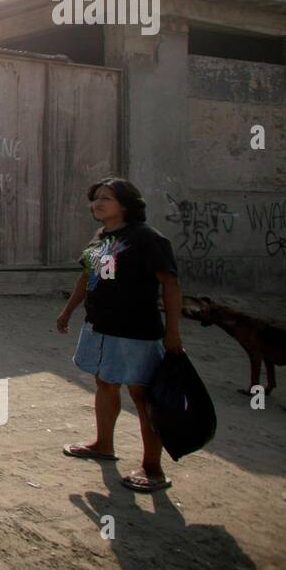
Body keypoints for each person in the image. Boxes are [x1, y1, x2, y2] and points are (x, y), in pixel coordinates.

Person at [57, 177, 183, 494]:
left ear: (125, 204)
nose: (98, 203)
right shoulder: (100, 238)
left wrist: (173, 333)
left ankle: (152, 468)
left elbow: (170, 285)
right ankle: (103, 444)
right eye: (96, 198)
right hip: (100, 326)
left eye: (107, 198)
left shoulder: (147, 239)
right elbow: (86, 278)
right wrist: (68, 310)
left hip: (137, 331)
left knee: (143, 398)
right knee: (104, 382)